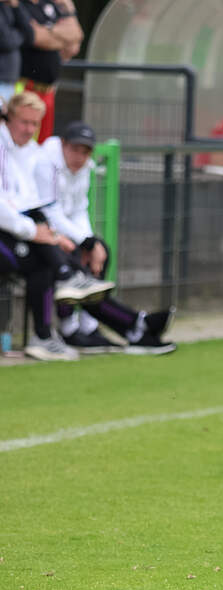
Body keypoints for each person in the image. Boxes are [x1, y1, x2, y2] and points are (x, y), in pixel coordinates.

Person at [33, 120, 175, 354]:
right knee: (74, 264)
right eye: (75, 149)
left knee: (101, 253)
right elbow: (50, 211)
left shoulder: (82, 168)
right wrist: (83, 241)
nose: (80, 157)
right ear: (64, 144)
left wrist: (91, 243)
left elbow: (79, 208)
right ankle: (125, 326)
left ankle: (92, 328)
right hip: (42, 235)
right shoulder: (45, 163)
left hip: (58, 234)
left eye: (85, 152)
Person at [0, 92, 113, 361]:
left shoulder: (28, 152)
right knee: (42, 259)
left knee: (58, 253)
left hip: (18, 231)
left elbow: (30, 203)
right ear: (9, 118)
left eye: (34, 123)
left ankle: (59, 330)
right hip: (12, 233)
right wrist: (35, 231)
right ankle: (68, 281)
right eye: (23, 122)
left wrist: (51, 235)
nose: (29, 129)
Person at [17, 0, 81, 141]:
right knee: (24, 139)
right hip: (26, 88)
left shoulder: (49, 4)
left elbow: (74, 42)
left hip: (48, 91)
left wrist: (69, 10)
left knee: (42, 142)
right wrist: (62, 36)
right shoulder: (21, 5)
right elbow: (36, 37)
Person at [0, 0, 31, 104]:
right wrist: (22, 33)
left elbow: (30, 34)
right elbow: (6, 41)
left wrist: (16, 6)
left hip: (11, 80)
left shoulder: (11, 4)